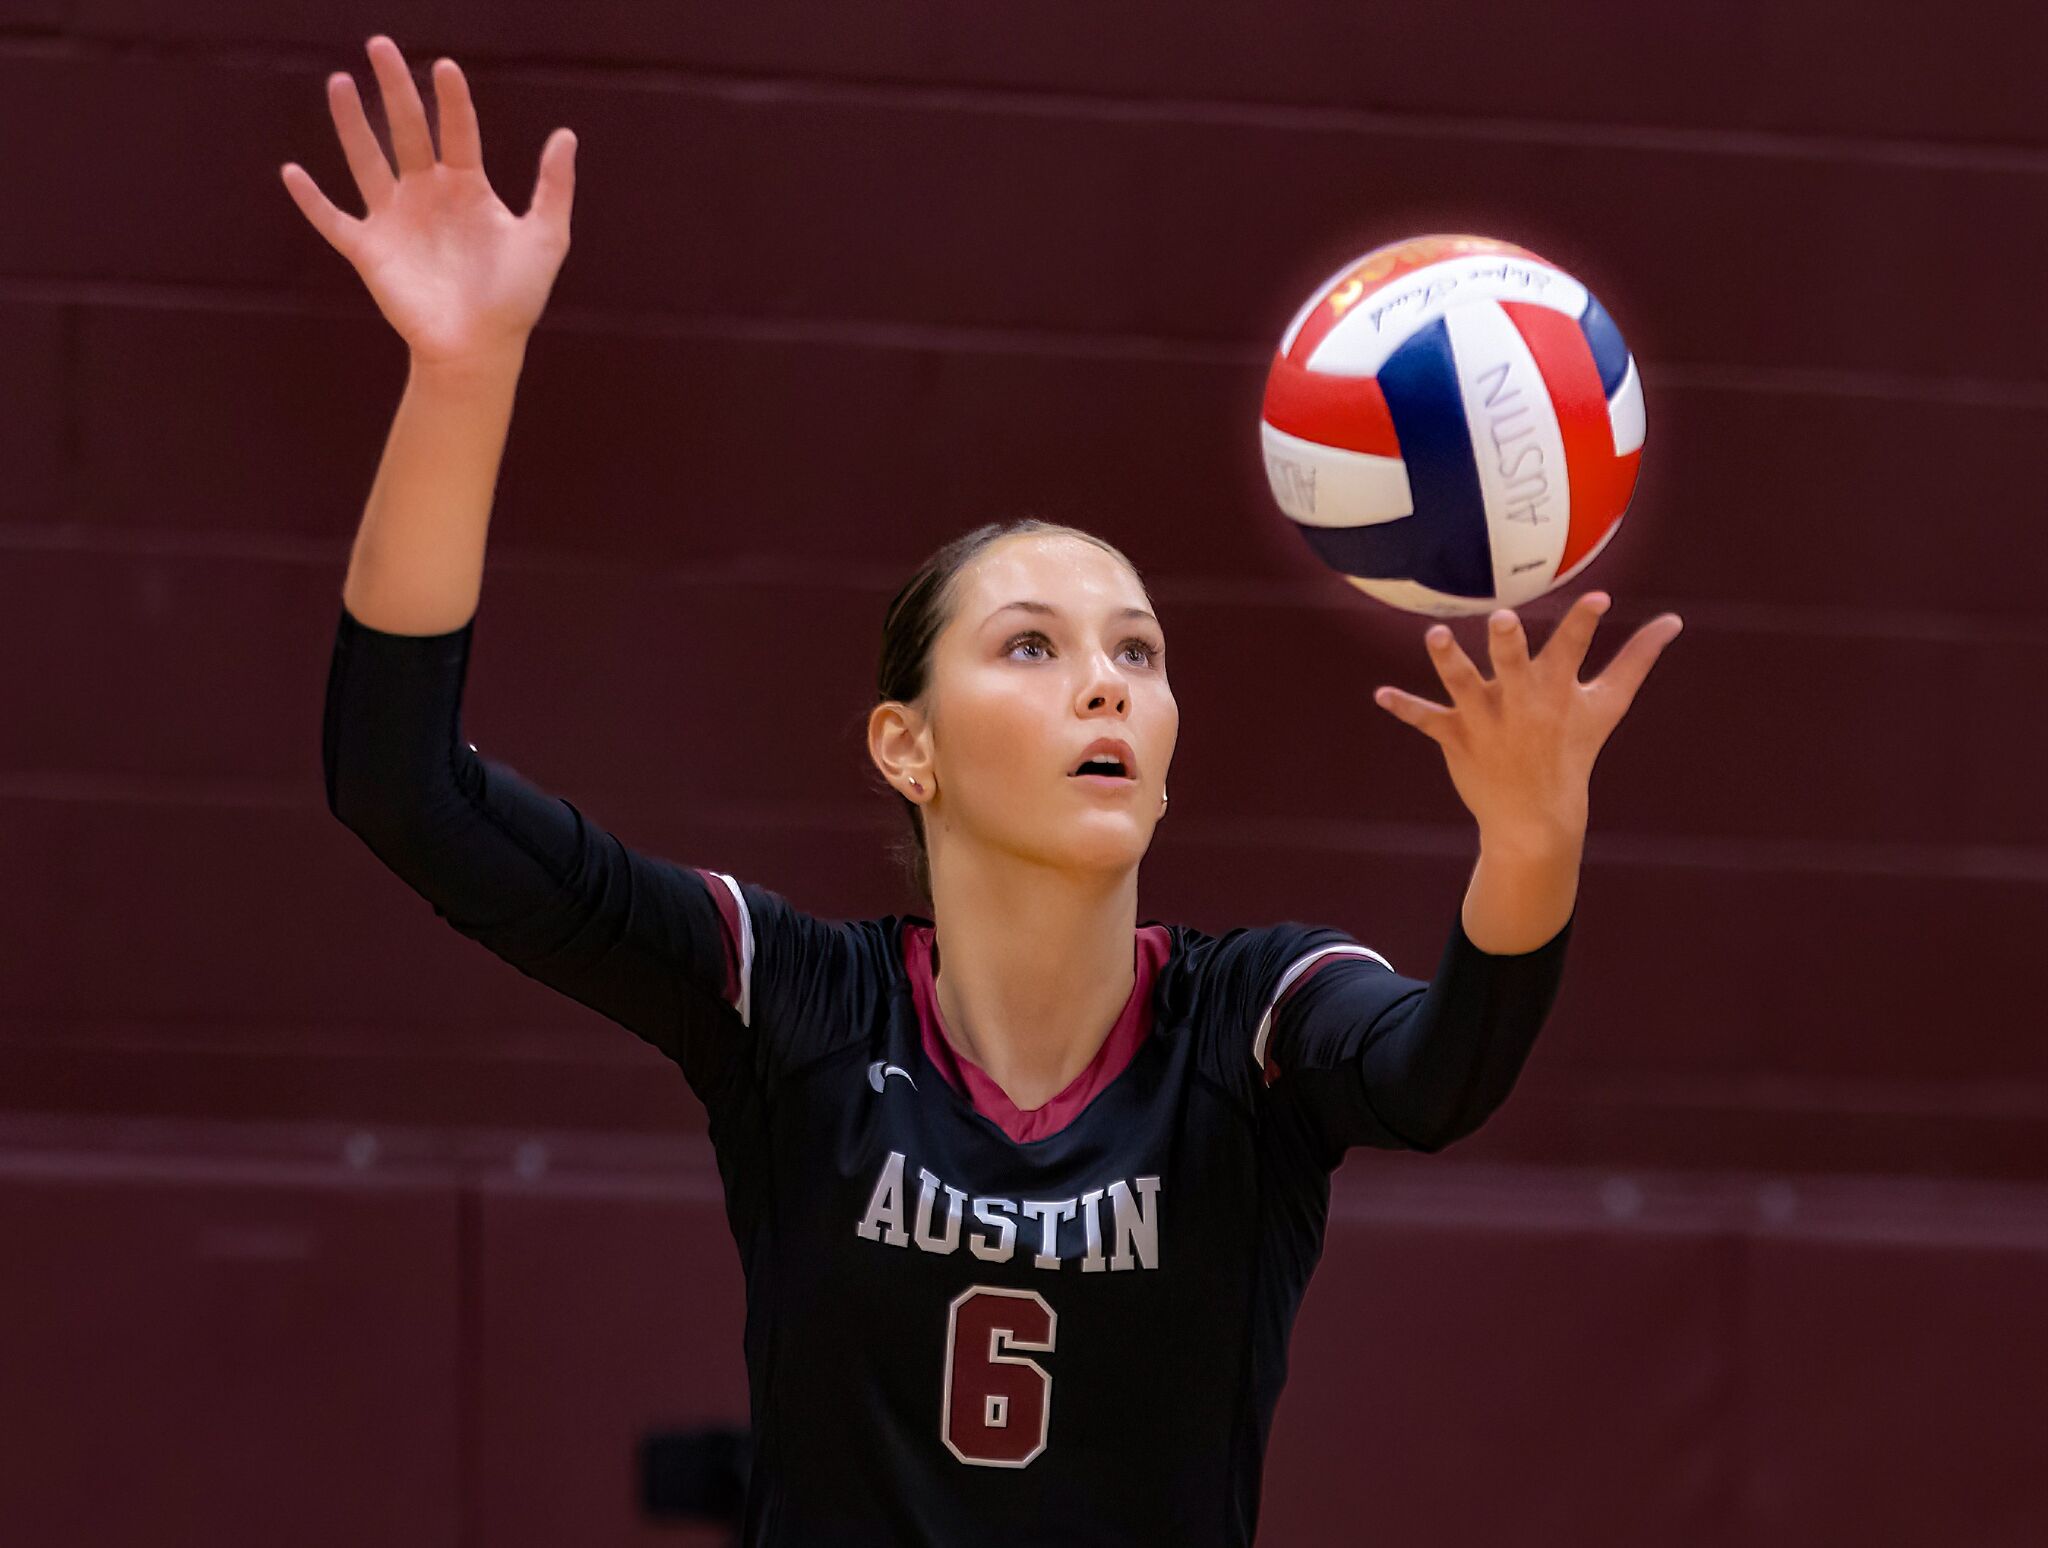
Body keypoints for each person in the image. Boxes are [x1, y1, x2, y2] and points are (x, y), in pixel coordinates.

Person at [291, 36, 1683, 1547]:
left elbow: (1440, 1077)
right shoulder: (796, 1008)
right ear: (909, 747)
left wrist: (1532, 840)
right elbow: (404, 790)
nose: (1106, 685)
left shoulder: (1251, 1024)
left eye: (1138, 652)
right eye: (1032, 646)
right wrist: (463, 373)